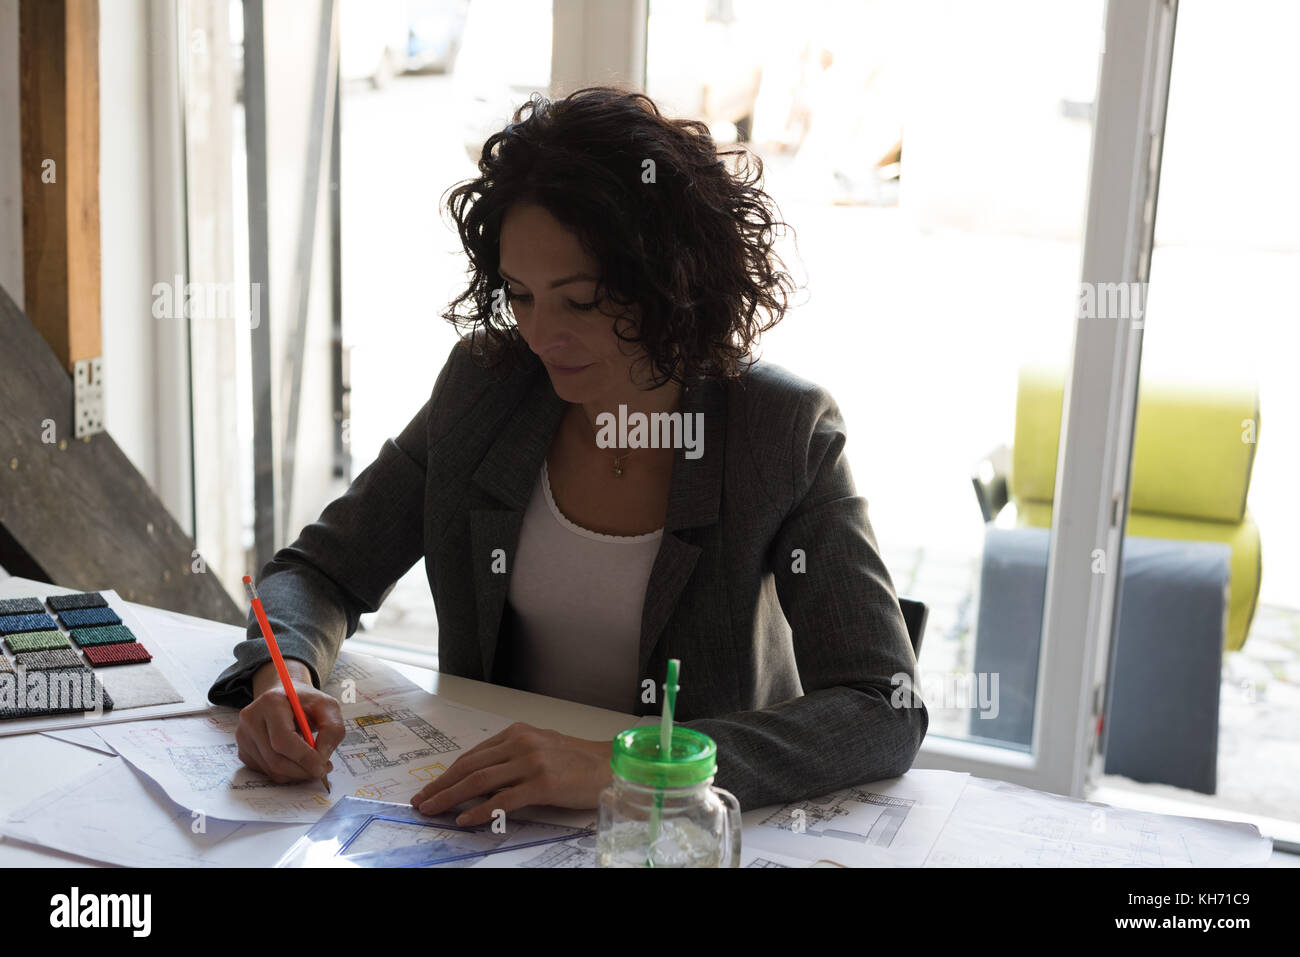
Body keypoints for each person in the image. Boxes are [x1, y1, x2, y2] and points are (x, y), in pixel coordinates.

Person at [208, 86, 927, 821]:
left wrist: (627, 765)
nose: (542, 334)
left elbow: (883, 707)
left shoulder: (780, 430)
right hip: (485, 826)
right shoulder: (484, 390)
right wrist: (284, 677)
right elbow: (320, 571)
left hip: (675, 835)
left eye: (579, 300)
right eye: (519, 293)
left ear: (672, 282)